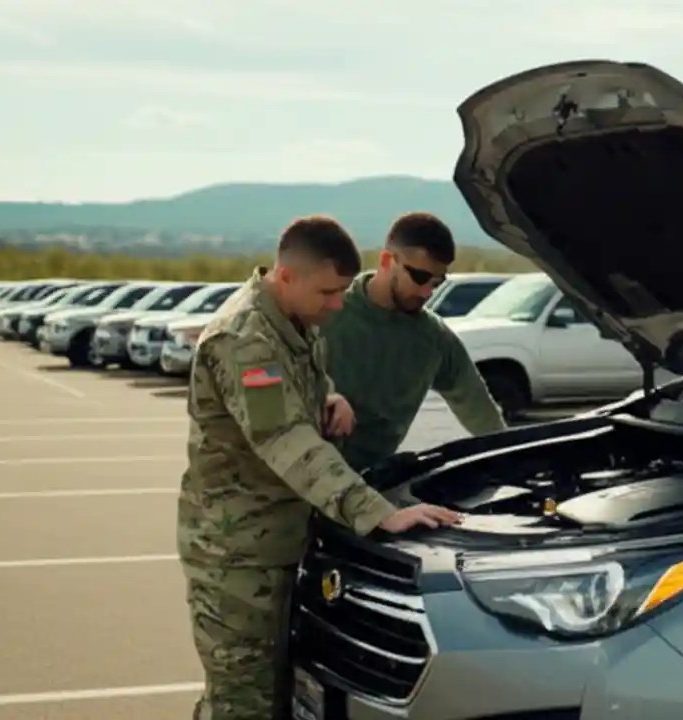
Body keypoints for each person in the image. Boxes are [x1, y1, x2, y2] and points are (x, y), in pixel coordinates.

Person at [176, 214, 462, 720]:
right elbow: (283, 437)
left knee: (281, 695)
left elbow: (298, 387)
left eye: (341, 292)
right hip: (238, 557)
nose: (336, 305)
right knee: (243, 702)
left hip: (284, 540)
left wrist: (329, 394)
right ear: (287, 276)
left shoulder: (293, 323)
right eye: (328, 292)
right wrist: (377, 511)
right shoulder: (244, 339)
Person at [320, 211, 507, 472]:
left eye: (437, 282)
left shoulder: (434, 339)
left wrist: (510, 460)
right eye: (419, 277)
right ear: (387, 260)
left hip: (373, 484)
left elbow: (480, 413)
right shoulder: (325, 312)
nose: (427, 292)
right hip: (301, 480)